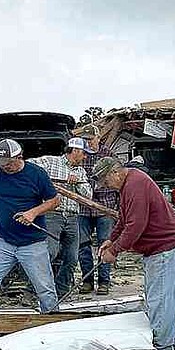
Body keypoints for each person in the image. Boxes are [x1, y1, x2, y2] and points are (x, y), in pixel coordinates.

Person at [93, 156, 175, 350]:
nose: (107, 186)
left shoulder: (135, 184)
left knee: (161, 301)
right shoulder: (129, 185)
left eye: (107, 182)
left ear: (115, 173)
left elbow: (136, 225)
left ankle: (163, 349)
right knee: (164, 300)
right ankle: (169, 343)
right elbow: (124, 219)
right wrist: (111, 240)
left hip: (165, 248)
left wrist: (115, 250)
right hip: (163, 248)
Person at [0, 138, 59, 313]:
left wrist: (33, 213)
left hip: (32, 244)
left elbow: (55, 201)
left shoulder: (37, 174)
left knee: (45, 291)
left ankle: (51, 324)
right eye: (2, 163)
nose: (5, 167)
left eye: (9, 163)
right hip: (3, 241)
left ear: (20, 157)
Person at [30, 138, 92, 298]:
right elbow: (27, 166)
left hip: (72, 217)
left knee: (72, 257)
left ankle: (61, 291)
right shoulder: (50, 162)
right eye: (84, 153)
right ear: (75, 151)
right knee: (49, 253)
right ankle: (36, 290)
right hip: (53, 215)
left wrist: (77, 183)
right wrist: (43, 182)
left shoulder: (81, 172)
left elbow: (88, 195)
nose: (85, 157)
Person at [77, 126, 120, 295]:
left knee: (105, 244)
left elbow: (117, 182)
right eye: (85, 139)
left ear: (98, 137)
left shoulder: (109, 155)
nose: (88, 142)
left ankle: (104, 281)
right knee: (83, 246)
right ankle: (87, 281)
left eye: (91, 138)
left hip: (106, 208)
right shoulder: (80, 155)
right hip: (83, 209)